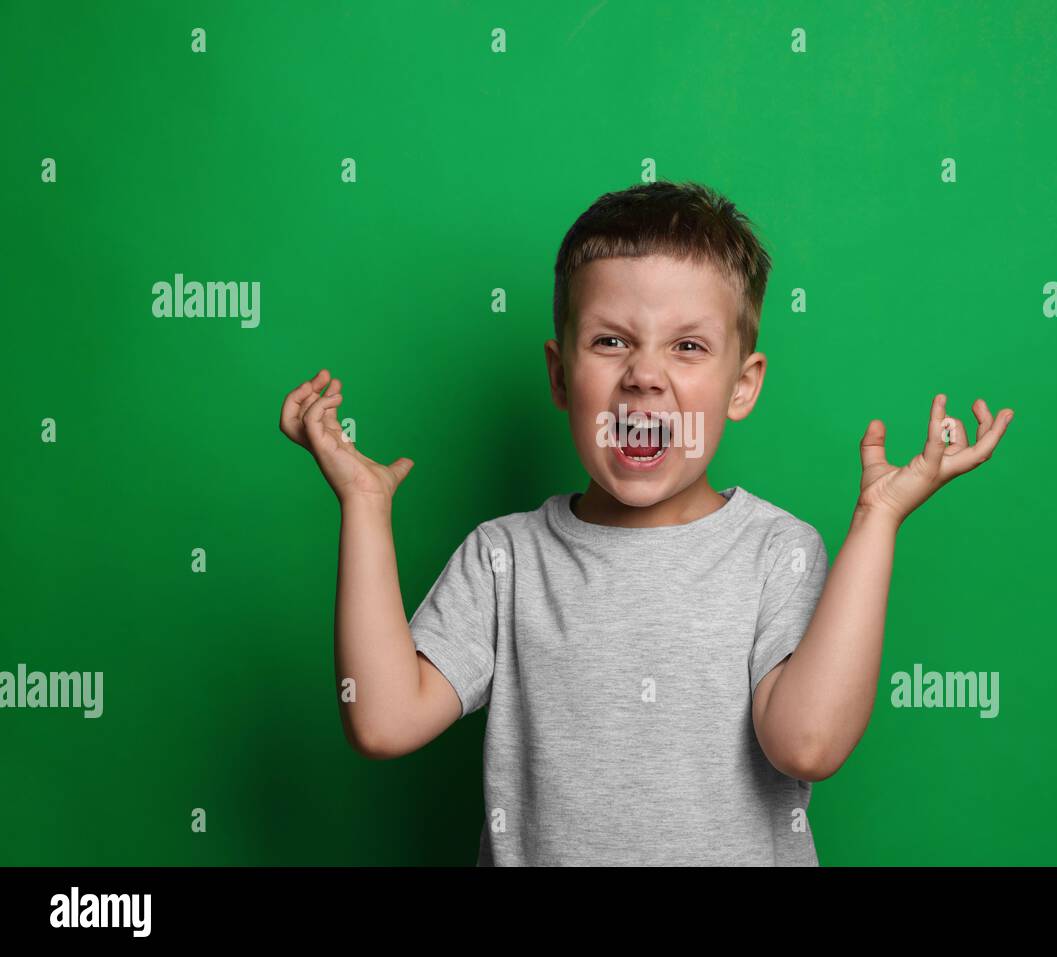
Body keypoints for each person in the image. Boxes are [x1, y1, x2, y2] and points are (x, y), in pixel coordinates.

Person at [278, 180, 1014, 865]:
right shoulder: (505, 558)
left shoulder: (776, 553)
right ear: (561, 375)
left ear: (743, 385)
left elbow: (808, 742)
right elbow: (378, 719)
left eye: (688, 346)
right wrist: (365, 507)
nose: (644, 374)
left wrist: (878, 519)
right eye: (610, 341)